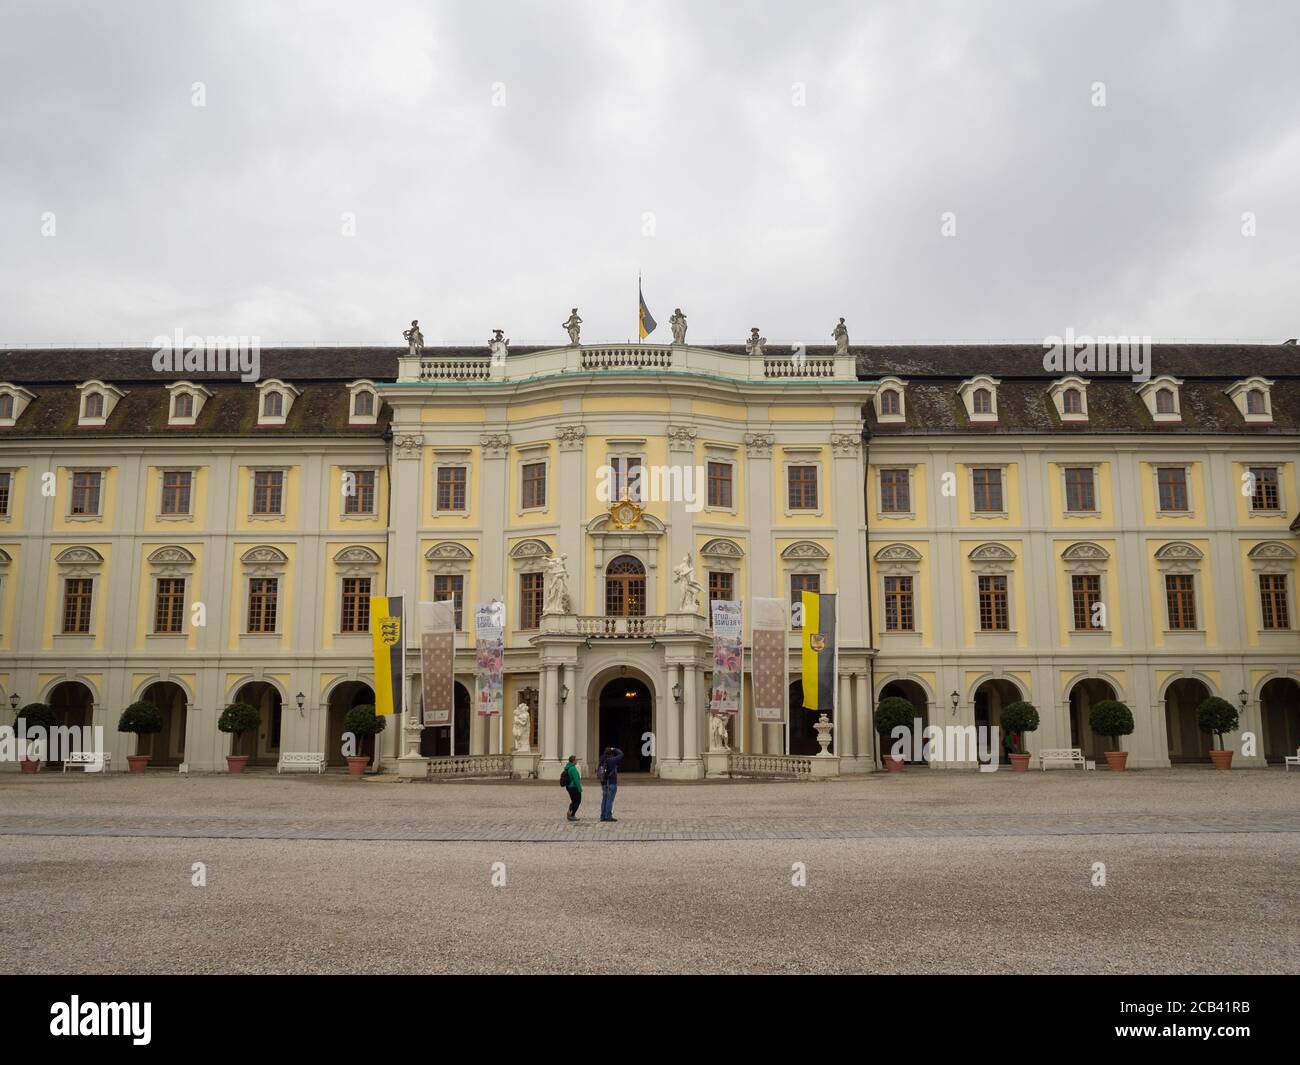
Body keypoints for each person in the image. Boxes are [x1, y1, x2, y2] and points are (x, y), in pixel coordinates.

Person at [598, 746, 624, 822]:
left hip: (603, 782)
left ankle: (602, 816)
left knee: (604, 799)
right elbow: (621, 754)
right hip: (611, 782)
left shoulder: (601, 759)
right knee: (610, 800)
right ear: (611, 753)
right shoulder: (613, 760)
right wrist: (614, 749)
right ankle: (608, 816)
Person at [561, 755, 582, 821]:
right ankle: (572, 815)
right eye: (576, 760)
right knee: (577, 801)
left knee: (573, 801)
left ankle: (569, 812)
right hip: (574, 787)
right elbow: (576, 779)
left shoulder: (568, 767)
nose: (577, 761)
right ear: (573, 761)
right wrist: (579, 788)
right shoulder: (573, 768)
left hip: (569, 787)